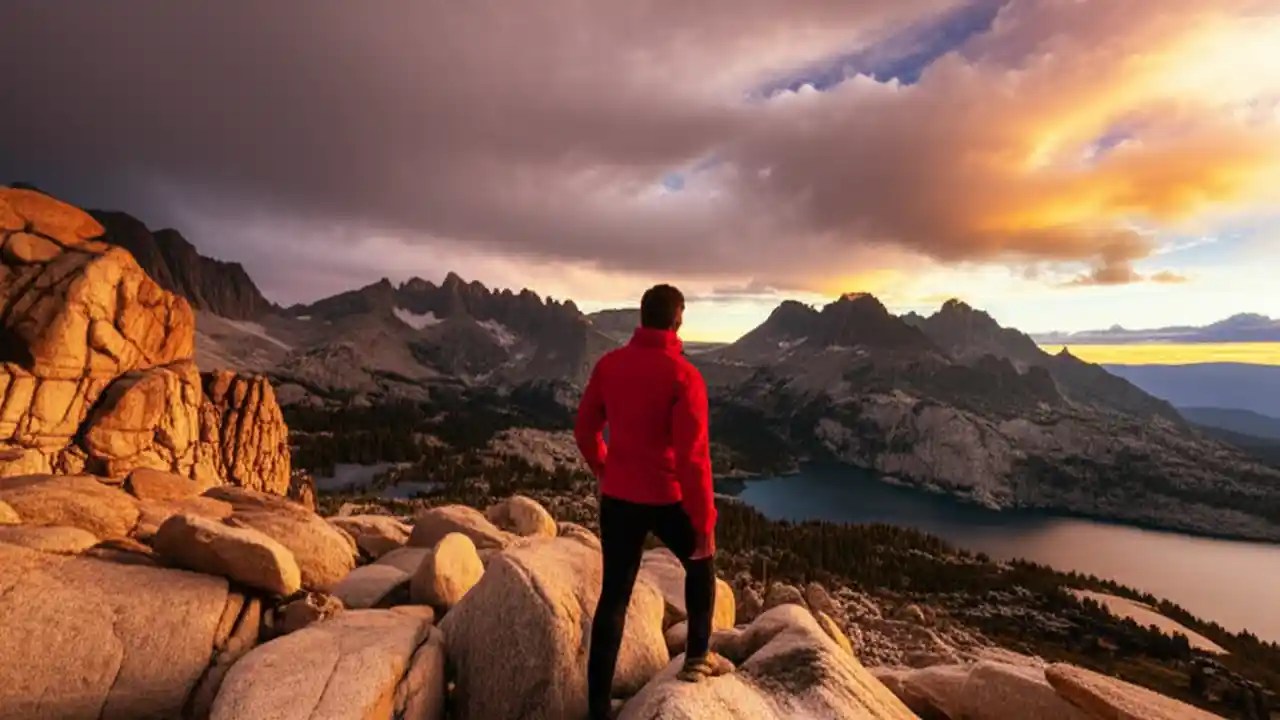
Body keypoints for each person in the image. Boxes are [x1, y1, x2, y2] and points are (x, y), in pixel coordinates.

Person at [576, 284, 732, 719]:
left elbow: (585, 429)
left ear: (641, 318)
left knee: (614, 597)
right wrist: (704, 521)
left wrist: (603, 467)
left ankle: (597, 706)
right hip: (669, 499)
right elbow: (693, 458)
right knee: (702, 562)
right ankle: (697, 656)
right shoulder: (684, 376)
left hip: (620, 498)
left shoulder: (610, 366)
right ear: (677, 321)